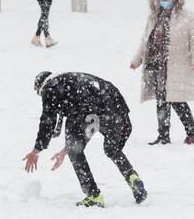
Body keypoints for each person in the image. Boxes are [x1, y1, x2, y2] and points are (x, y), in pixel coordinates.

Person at [23, 71, 147, 208]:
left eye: (38, 92)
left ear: (41, 85)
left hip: (86, 108)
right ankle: (132, 177)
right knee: (112, 149)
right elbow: (92, 122)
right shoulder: (74, 79)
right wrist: (66, 150)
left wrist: (36, 150)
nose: (41, 95)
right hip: (113, 102)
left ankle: (94, 195)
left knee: (75, 152)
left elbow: (48, 120)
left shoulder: (50, 86)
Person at [130, 0, 194, 145]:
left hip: (177, 65)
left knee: (177, 100)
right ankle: (163, 135)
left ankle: (192, 133)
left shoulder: (187, 16)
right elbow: (145, 41)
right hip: (157, 65)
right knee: (161, 101)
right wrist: (137, 60)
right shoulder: (154, 16)